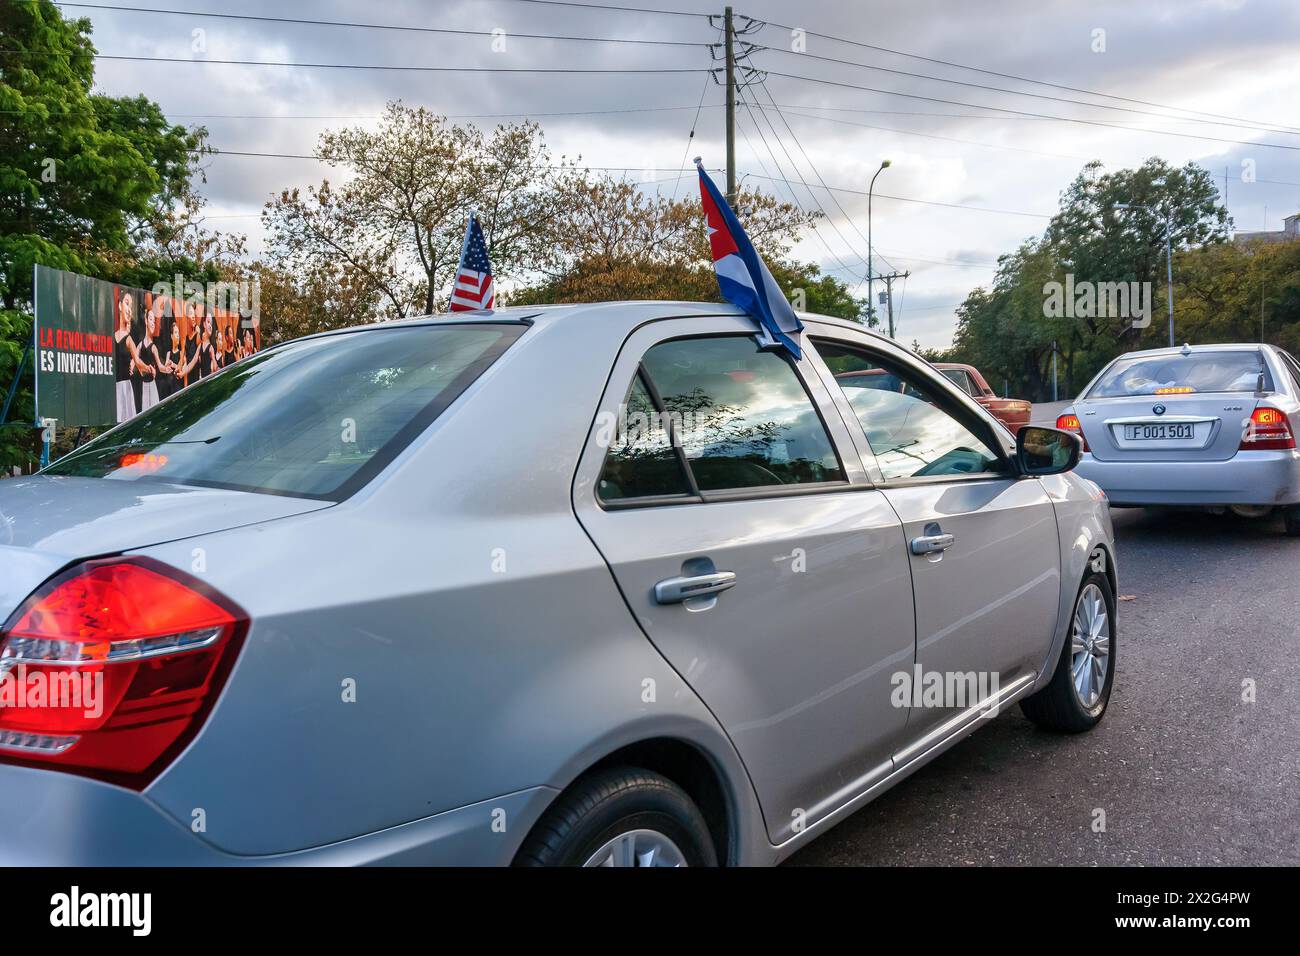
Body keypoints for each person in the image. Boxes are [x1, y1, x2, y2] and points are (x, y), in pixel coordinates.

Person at [112, 292, 146, 423]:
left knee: (125, 421)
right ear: (120, 306)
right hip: (114, 387)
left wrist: (147, 368)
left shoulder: (129, 339)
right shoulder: (112, 336)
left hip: (125, 387)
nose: (129, 309)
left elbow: (137, 360)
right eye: (127, 303)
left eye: (131, 306)